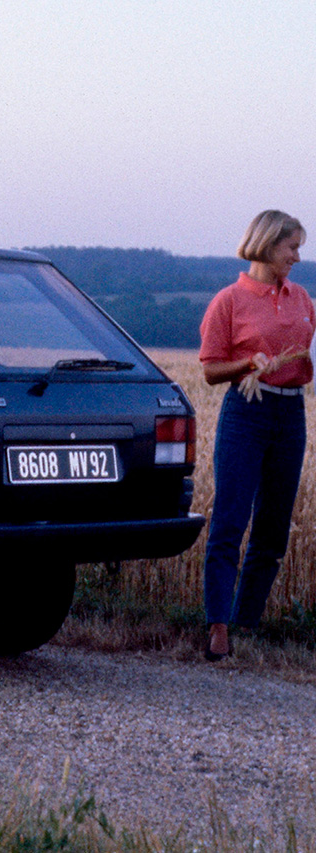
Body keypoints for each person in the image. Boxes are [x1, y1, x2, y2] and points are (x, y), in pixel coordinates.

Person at [199, 210, 313, 660]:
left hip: (292, 413)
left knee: (273, 528)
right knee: (230, 520)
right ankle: (218, 626)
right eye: (293, 248)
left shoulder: (302, 298)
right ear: (267, 246)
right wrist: (249, 364)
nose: (297, 257)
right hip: (247, 411)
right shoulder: (229, 301)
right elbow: (209, 370)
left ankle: (247, 621)